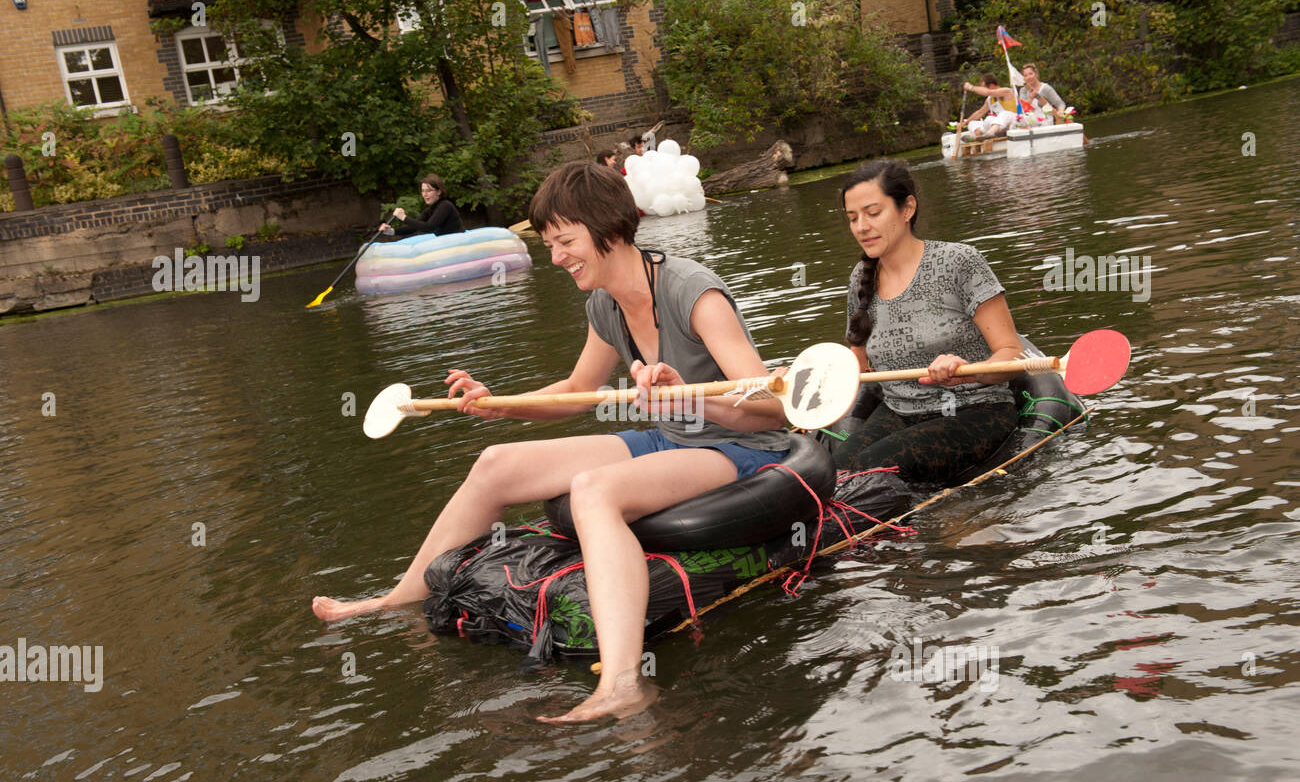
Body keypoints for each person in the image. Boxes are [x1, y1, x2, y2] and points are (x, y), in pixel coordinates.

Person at [314, 161, 791, 722]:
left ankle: (622, 683)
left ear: (608, 227)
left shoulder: (695, 294)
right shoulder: (603, 304)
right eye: (549, 244)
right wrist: (495, 403)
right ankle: (401, 596)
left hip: (739, 451)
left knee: (592, 490)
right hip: (671, 439)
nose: (557, 257)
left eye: (566, 242)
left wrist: (691, 398)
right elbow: (575, 390)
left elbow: (772, 411)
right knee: (496, 465)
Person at [833, 159, 1021, 485]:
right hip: (899, 411)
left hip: (973, 410)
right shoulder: (860, 278)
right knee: (830, 476)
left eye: (873, 213)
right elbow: (858, 366)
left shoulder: (958, 262)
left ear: (907, 209)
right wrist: (808, 387)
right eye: (853, 218)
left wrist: (963, 373)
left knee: (870, 473)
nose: (861, 226)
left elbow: (1011, 355)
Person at [381, 174, 463, 237]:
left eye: (428, 191)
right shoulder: (429, 210)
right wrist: (391, 231)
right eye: (423, 191)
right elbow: (414, 227)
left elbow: (429, 227)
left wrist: (403, 217)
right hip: (446, 241)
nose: (424, 194)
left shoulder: (445, 205)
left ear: (439, 192)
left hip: (457, 241)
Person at [960, 73, 1018, 139]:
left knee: (1004, 114)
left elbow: (987, 92)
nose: (981, 91)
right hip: (999, 127)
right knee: (975, 122)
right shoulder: (990, 99)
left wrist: (970, 87)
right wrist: (965, 123)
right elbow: (980, 113)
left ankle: (986, 134)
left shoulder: (1007, 91)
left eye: (983, 88)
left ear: (992, 86)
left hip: (1014, 122)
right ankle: (980, 135)